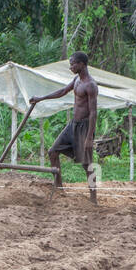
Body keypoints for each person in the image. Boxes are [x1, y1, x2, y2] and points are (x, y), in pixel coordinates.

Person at [30, 51, 99, 203]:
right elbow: (62, 91)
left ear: (82, 64)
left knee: (87, 164)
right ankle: (59, 186)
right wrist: (41, 99)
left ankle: (93, 196)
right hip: (72, 125)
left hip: (84, 127)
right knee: (53, 152)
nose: (71, 67)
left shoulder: (91, 85)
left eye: (73, 64)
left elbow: (93, 113)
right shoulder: (76, 80)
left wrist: (89, 137)